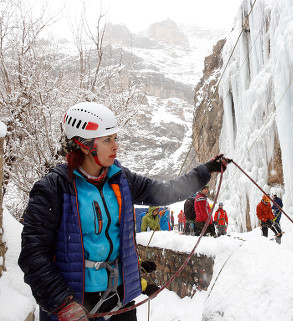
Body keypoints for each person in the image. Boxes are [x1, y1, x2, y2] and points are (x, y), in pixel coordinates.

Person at [18, 102, 229, 321]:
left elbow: (164, 192)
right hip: (75, 304)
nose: (115, 146)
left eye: (115, 138)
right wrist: (62, 303)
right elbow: (33, 255)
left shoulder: (121, 180)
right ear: (83, 145)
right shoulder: (52, 189)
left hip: (118, 299)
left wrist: (205, 171)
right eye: (107, 140)